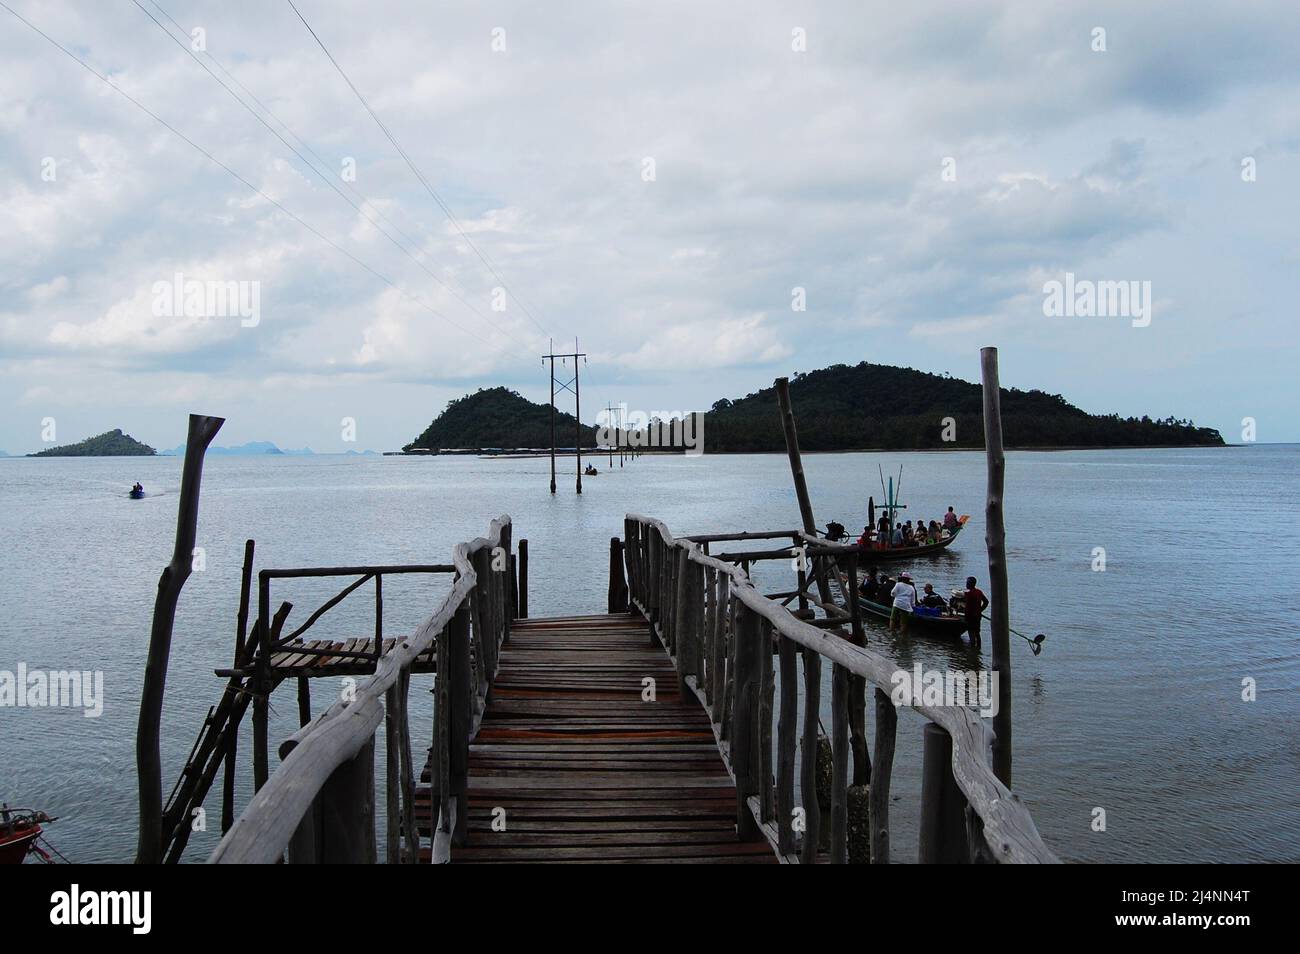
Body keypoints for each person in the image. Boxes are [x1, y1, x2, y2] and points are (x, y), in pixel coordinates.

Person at [963, 576, 989, 648]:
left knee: (971, 634)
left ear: (970, 584)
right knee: (977, 633)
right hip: (977, 616)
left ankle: (972, 649)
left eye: (967, 583)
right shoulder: (979, 592)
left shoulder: (969, 594)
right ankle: (978, 648)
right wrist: (980, 610)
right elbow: (986, 602)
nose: (966, 584)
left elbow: (967, 606)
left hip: (970, 617)